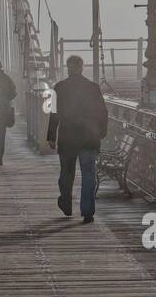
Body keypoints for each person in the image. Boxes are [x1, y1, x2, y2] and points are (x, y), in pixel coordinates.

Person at [46, 55, 109, 223]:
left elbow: (54, 114)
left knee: (66, 173)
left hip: (68, 137)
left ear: (68, 67)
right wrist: (101, 132)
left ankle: (66, 201)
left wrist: (51, 136)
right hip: (89, 137)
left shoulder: (59, 87)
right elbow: (102, 112)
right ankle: (87, 211)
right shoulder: (93, 88)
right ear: (82, 67)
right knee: (88, 174)